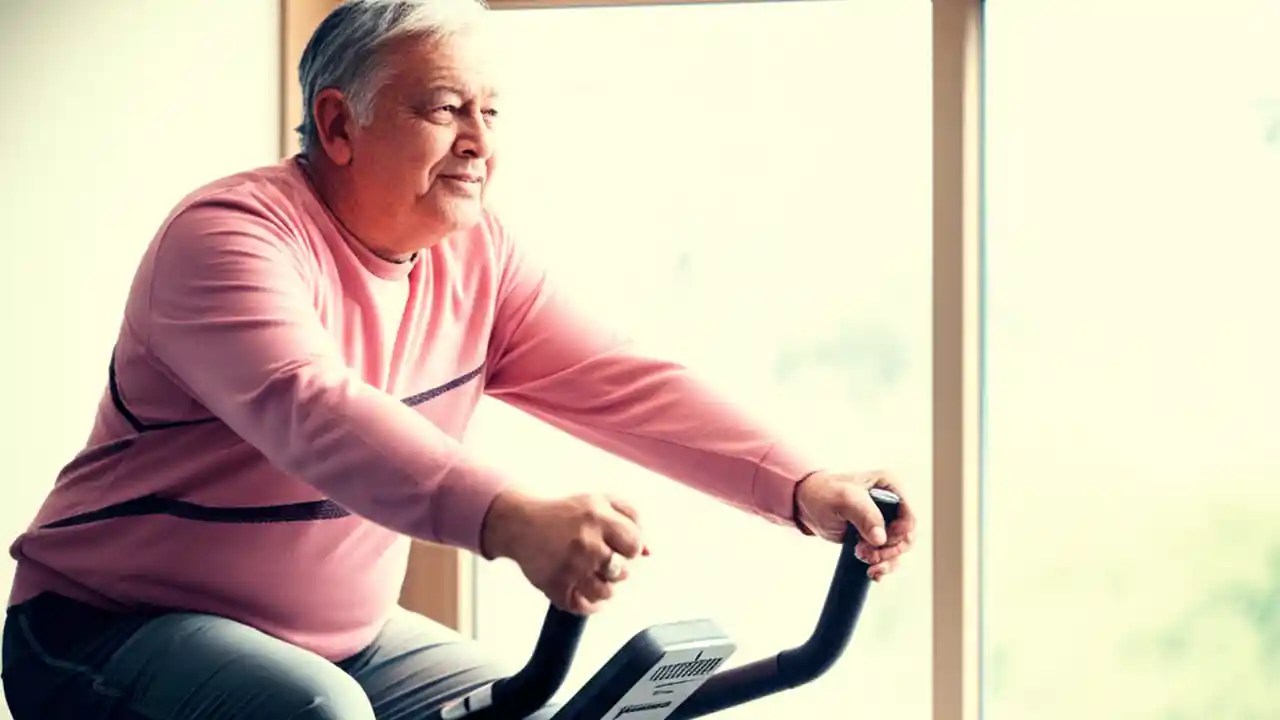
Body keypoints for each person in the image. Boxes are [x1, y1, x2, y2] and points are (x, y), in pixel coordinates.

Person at [0, 1, 916, 718]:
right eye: (445, 109)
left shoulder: (477, 256)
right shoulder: (231, 238)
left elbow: (622, 380)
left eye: (490, 111)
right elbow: (314, 409)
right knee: (318, 712)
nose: (479, 139)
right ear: (338, 124)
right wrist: (511, 519)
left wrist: (800, 484)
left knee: (538, 711)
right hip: (103, 629)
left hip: (344, 639)